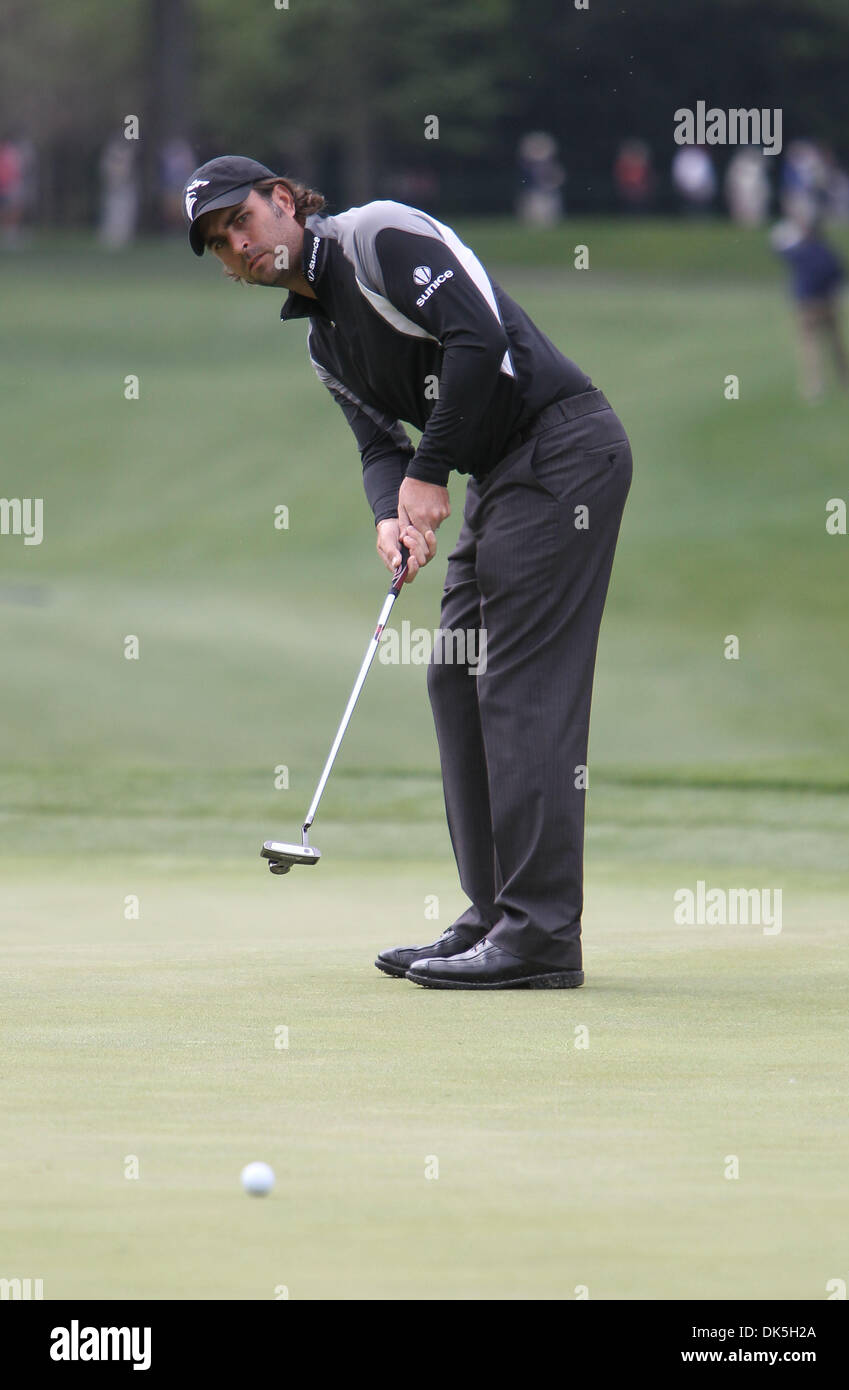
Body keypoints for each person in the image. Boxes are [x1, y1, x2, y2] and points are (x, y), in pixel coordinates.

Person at [185, 156, 632, 990]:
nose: (237, 246)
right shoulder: (324, 345)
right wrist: (391, 513)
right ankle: (497, 914)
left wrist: (430, 475)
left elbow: (478, 337)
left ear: (284, 201)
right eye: (217, 243)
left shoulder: (381, 238)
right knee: (455, 679)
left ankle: (539, 937)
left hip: (564, 453)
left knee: (516, 685)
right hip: (504, 478)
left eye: (240, 220)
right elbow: (377, 450)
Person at [770, 214, 849, 401]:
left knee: (810, 347)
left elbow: (780, 251)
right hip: (829, 303)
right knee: (837, 345)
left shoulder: (801, 252)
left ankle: (815, 387)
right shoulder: (829, 252)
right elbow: (842, 275)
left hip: (807, 305)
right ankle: (846, 381)